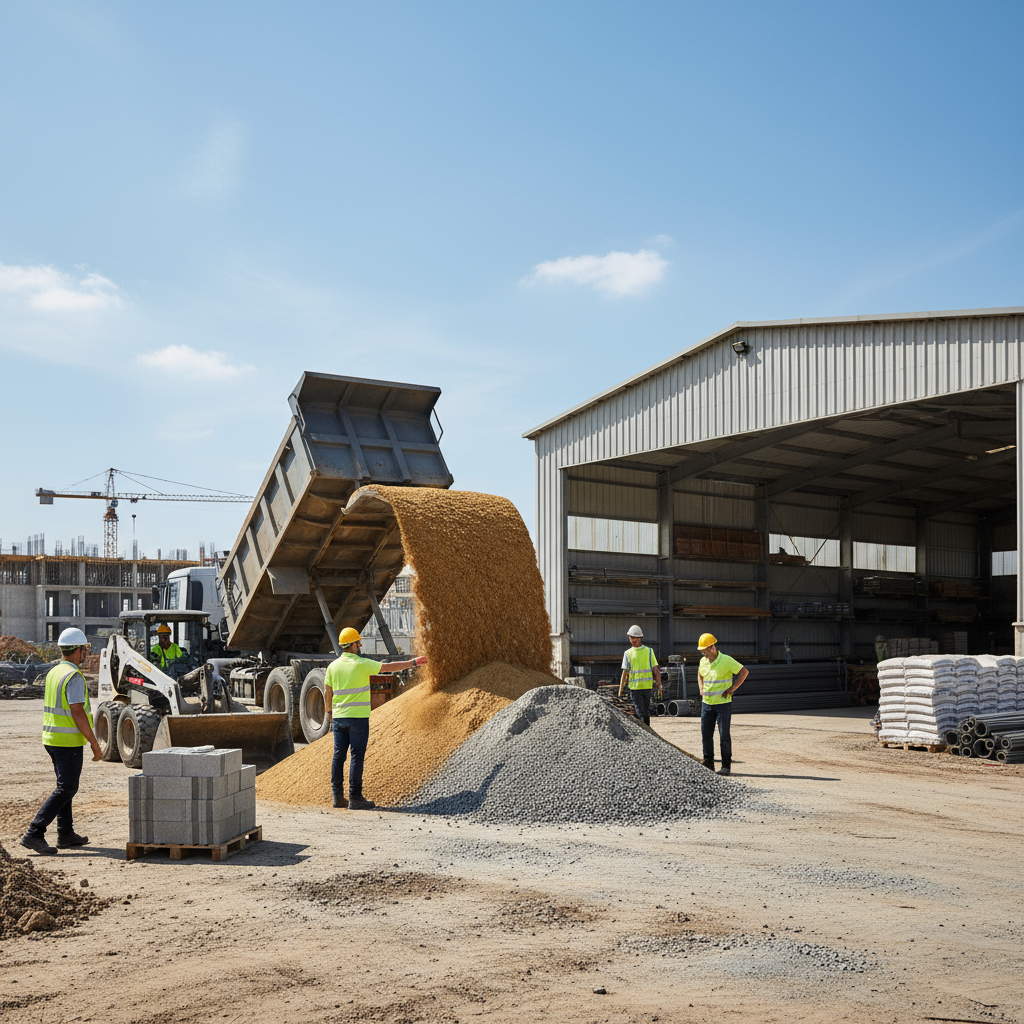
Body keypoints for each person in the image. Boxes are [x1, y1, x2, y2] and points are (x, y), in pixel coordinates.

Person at [20, 628, 102, 855]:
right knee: (67, 788)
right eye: (85, 649)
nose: (86, 653)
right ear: (78, 650)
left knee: (65, 787)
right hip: (67, 742)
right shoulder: (73, 676)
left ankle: (65, 833)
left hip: (52, 738)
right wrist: (94, 743)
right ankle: (34, 833)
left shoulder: (55, 671)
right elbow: (77, 712)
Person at [325, 627, 426, 810]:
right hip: (358, 720)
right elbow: (388, 668)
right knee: (356, 756)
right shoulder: (362, 664)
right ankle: (355, 798)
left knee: (338, 756)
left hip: (339, 719)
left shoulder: (332, 667)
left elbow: (328, 692)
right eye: (358, 643)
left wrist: (329, 713)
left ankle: (337, 797)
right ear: (353, 645)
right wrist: (412, 663)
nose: (360, 645)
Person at [696, 632, 748, 776]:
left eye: (705, 651)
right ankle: (708, 764)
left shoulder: (726, 660)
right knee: (706, 735)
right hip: (707, 704)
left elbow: (744, 672)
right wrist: (701, 687)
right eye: (702, 652)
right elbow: (700, 673)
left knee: (724, 735)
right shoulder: (703, 661)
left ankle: (726, 766)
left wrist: (732, 688)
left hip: (723, 705)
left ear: (712, 648)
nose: (703, 654)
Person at [618, 624, 662, 727]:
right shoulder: (627, 653)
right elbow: (625, 673)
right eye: (632, 637)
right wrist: (621, 688)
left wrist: (659, 685)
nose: (633, 640)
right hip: (635, 688)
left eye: (636, 638)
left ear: (641, 638)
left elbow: (655, 669)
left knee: (644, 712)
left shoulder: (649, 651)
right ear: (629, 638)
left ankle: (646, 732)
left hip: (647, 687)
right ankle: (646, 731)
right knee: (641, 712)